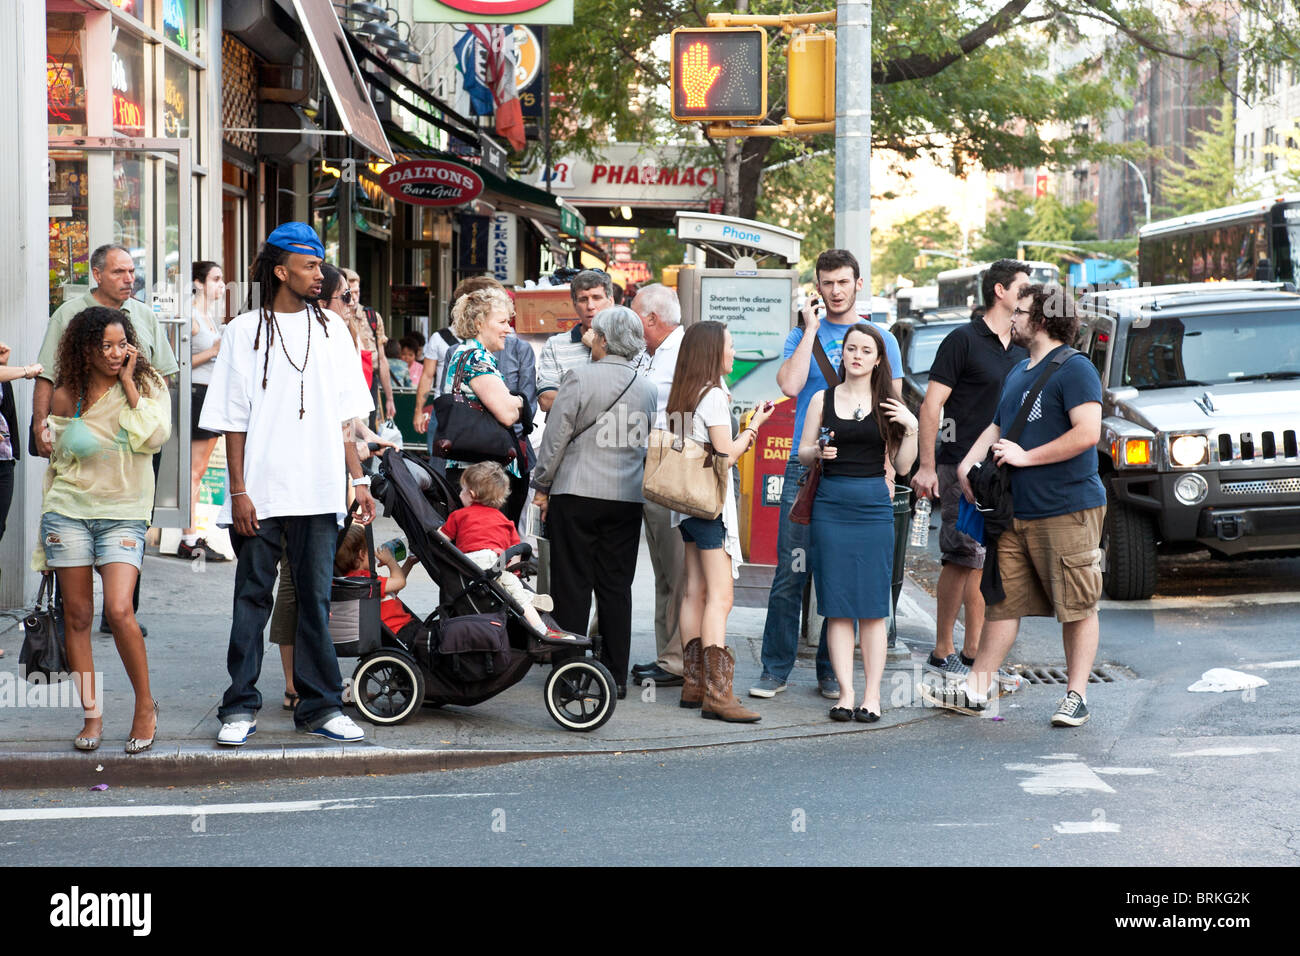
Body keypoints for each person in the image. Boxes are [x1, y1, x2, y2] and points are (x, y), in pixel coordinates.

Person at [200, 223, 376, 746]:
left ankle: (320, 706)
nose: (319, 274)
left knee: (315, 601)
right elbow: (233, 419)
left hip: (320, 489)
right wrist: (238, 491)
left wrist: (358, 478)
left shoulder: (334, 331)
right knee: (252, 598)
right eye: (309, 265)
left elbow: (347, 417)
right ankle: (239, 705)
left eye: (321, 265)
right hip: (261, 490)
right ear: (281, 271)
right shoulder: (244, 330)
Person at [927, 284, 1106, 726]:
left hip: (1066, 507)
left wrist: (1027, 456)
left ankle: (1075, 696)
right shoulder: (1021, 370)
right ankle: (977, 688)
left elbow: (1088, 433)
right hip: (1014, 513)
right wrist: (969, 463)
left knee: (1077, 603)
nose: (1013, 317)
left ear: (1042, 320)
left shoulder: (1076, 369)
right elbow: (997, 425)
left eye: (1021, 311)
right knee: (1003, 601)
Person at [752, 248, 903, 701]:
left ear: (858, 283)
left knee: (837, 578)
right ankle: (774, 669)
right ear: (816, 287)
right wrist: (811, 329)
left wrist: (890, 471)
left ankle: (832, 673)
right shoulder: (802, 334)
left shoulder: (881, 339)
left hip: (859, 478)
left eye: (843, 282)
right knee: (790, 574)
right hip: (806, 471)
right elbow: (789, 386)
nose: (835, 291)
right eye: (827, 283)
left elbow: (893, 414)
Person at [37, 306, 171, 753]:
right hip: (68, 511)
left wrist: (130, 382)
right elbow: (56, 462)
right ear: (85, 349)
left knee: (118, 610)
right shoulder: (66, 394)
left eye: (121, 344)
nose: (116, 354)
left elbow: (153, 438)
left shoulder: (149, 385)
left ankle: (144, 706)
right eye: (105, 346)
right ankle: (91, 716)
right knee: (76, 616)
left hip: (123, 511)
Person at [32, 243, 180, 637]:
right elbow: (47, 373)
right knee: (71, 516)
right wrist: (39, 423)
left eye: (132, 272)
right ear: (97, 274)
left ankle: (121, 610)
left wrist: (153, 413)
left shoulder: (144, 316)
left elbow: (162, 375)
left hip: (138, 440)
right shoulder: (68, 315)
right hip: (83, 440)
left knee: (133, 520)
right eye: (119, 272)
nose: (129, 279)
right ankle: (70, 610)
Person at [910, 260, 1032, 686]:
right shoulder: (962, 339)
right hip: (958, 463)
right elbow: (930, 407)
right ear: (1000, 291)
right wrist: (927, 466)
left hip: (1001, 471)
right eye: (1023, 287)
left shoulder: (1022, 346)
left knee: (988, 563)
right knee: (961, 558)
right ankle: (943, 652)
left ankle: (976, 656)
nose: (1028, 294)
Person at [530, 306, 658, 697]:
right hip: (626, 498)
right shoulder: (648, 387)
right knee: (616, 588)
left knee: (572, 586)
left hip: (576, 492)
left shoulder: (579, 378)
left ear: (602, 339)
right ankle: (615, 676)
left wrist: (542, 485)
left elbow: (555, 439)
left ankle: (569, 675)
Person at [800, 323, 919, 722]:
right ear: (842, 354)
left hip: (873, 505)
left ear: (878, 358)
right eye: (851, 348)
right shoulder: (823, 397)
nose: (856, 355)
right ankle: (846, 694)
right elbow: (801, 452)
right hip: (831, 504)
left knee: (872, 607)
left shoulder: (889, 404)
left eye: (865, 350)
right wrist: (817, 450)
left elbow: (902, 467)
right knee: (836, 606)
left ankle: (872, 696)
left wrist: (913, 427)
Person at [667, 321, 776, 721]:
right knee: (721, 596)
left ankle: (693, 685)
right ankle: (718, 695)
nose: (733, 353)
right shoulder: (711, 396)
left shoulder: (682, 392)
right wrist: (753, 429)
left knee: (693, 592)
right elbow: (725, 455)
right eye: (730, 346)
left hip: (686, 505)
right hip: (710, 506)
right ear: (713, 352)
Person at [627, 283, 687, 688]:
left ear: (651, 318)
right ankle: (669, 656)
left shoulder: (681, 352)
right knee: (665, 574)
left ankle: (679, 658)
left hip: (672, 467)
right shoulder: (653, 354)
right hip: (652, 466)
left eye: (636, 315)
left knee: (679, 573)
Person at [439, 461, 561, 638]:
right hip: (495, 562)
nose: (460, 493)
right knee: (511, 584)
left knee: (512, 593)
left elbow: (441, 540)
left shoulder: (458, 515)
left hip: (472, 563)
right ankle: (532, 606)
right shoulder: (505, 520)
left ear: (471, 494)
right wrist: (515, 571)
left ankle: (541, 630)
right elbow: (515, 556)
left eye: (462, 490)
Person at [438, 286, 529, 521]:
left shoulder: (462, 352)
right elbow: (507, 414)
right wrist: (519, 400)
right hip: (481, 476)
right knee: (485, 548)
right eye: (502, 322)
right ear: (479, 323)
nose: (508, 329)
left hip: (469, 470)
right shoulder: (476, 356)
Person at [178, 260, 228, 562]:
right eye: (216, 279)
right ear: (198, 282)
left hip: (210, 394)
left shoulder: (209, 317)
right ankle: (189, 536)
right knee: (194, 471)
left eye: (222, 280)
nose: (222, 285)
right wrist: (214, 351)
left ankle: (192, 534)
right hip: (197, 393)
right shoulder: (191, 316)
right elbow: (178, 362)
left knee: (200, 470)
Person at [535, 269, 614, 414]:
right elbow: (546, 400)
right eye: (583, 299)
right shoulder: (555, 344)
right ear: (574, 305)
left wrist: (597, 349)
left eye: (597, 297)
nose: (590, 306)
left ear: (610, 301)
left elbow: (628, 392)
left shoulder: (626, 340)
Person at [336, 522, 421, 641]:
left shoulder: (351, 581)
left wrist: (409, 563)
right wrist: (390, 561)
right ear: (361, 554)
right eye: (369, 549)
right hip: (400, 630)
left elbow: (393, 590)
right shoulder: (365, 581)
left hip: (397, 630)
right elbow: (400, 582)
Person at [342, 267, 396, 424]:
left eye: (357, 292)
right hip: (346, 382)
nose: (354, 297)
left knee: (369, 429)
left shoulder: (372, 317)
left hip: (369, 381)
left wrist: (389, 398)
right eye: (350, 292)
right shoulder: (336, 317)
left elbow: (382, 359)